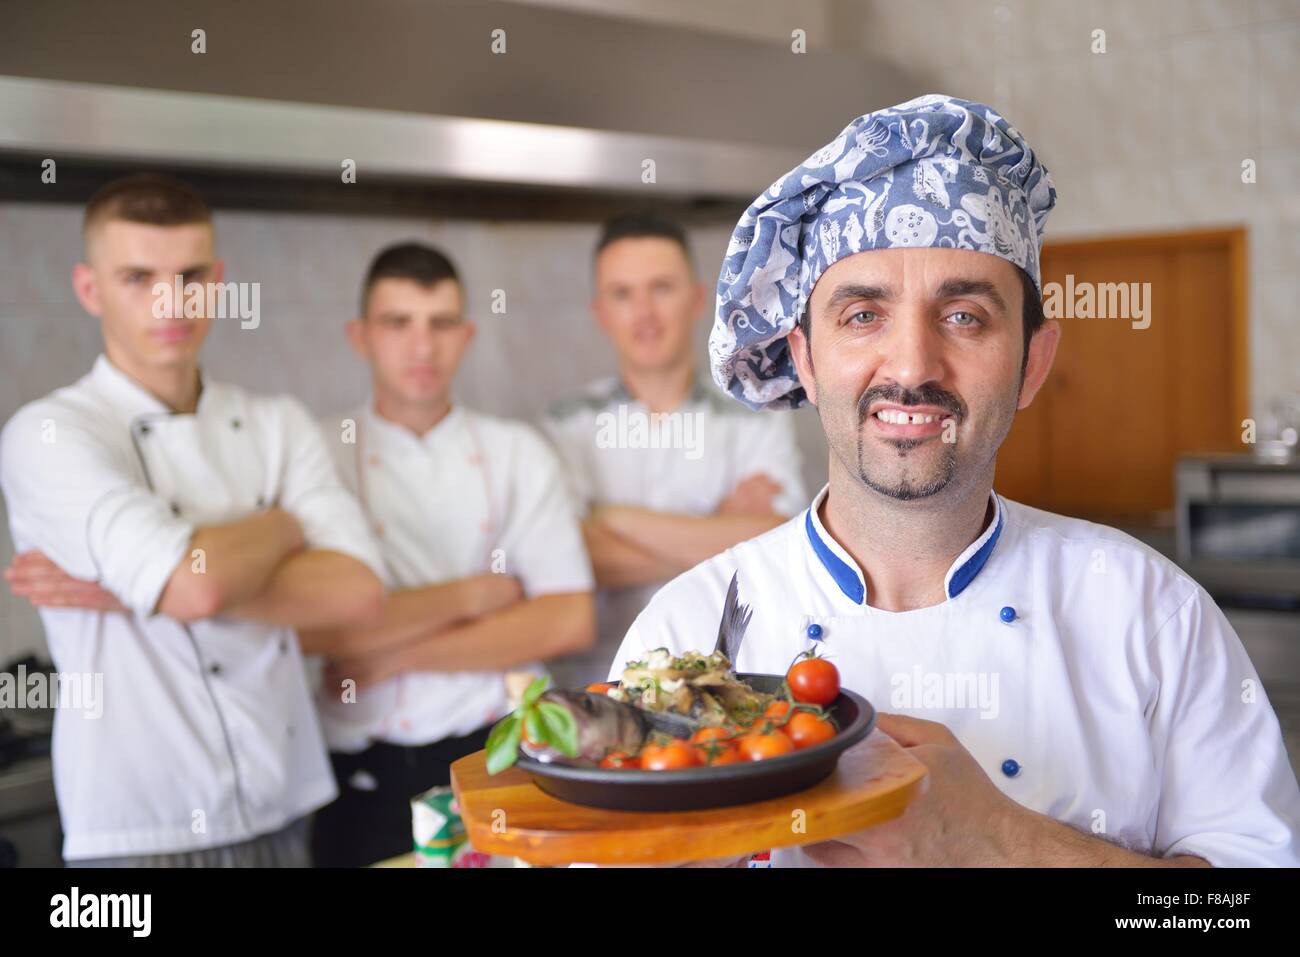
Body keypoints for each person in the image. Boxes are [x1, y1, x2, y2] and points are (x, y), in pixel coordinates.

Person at [605, 95, 1300, 867]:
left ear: (1033, 363)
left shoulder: (1152, 614)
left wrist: (999, 839)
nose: (911, 366)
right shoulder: (687, 629)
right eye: (863, 315)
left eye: (965, 316)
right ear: (805, 359)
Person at [0, 173, 386, 866]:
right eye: (137, 277)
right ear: (89, 289)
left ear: (219, 280)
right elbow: (194, 586)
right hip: (141, 827)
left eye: (190, 276)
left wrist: (131, 591)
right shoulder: (50, 433)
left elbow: (358, 593)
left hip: (285, 801)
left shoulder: (277, 421)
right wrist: (282, 525)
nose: (170, 302)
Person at [305, 242, 595, 867]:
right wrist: (473, 597)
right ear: (361, 336)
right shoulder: (315, 453)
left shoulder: (516, 451)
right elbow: (310, 628)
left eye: (440, 324)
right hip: (362, 772)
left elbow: (568, 619)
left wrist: (392, 653)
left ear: (466, 337)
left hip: (496, 751)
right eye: (398, 323)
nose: (422, 346)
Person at [542, 214, 807, 689]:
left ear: (697, 299)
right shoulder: (565, 424)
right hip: (595, 684)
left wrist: (611, 518)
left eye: (661, 288)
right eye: (623, 294)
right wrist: (723, 538)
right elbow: (565, 561)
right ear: (600, 312)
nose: (644, 312)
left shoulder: (756, 414)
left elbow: (776, 543)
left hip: (723, 680)